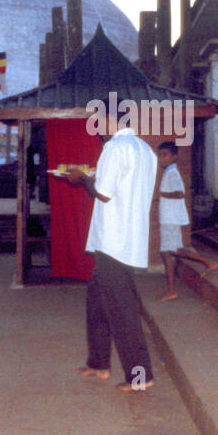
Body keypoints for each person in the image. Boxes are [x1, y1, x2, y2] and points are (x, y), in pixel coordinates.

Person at [56, 124, 158, 391]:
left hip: (115, 240)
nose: (97, 128)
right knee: (96, 302)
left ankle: (141, 376)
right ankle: (98, 363)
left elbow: (103, 193)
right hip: (125, 238)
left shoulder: (114, 147)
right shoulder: (145, 149)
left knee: (122, 310)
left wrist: (82, 178)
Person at [155, 141, 217, 301]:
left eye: (165, 155)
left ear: (174, 156)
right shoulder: (170, 171)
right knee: (170, 251)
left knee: (168, 252)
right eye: (160, 155)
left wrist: (162, 195)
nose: (161, 159)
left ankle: (172, 289)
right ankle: (172, 289)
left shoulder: (172, 173)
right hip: (170, 218)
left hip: (170, 219)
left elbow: (179, 194)